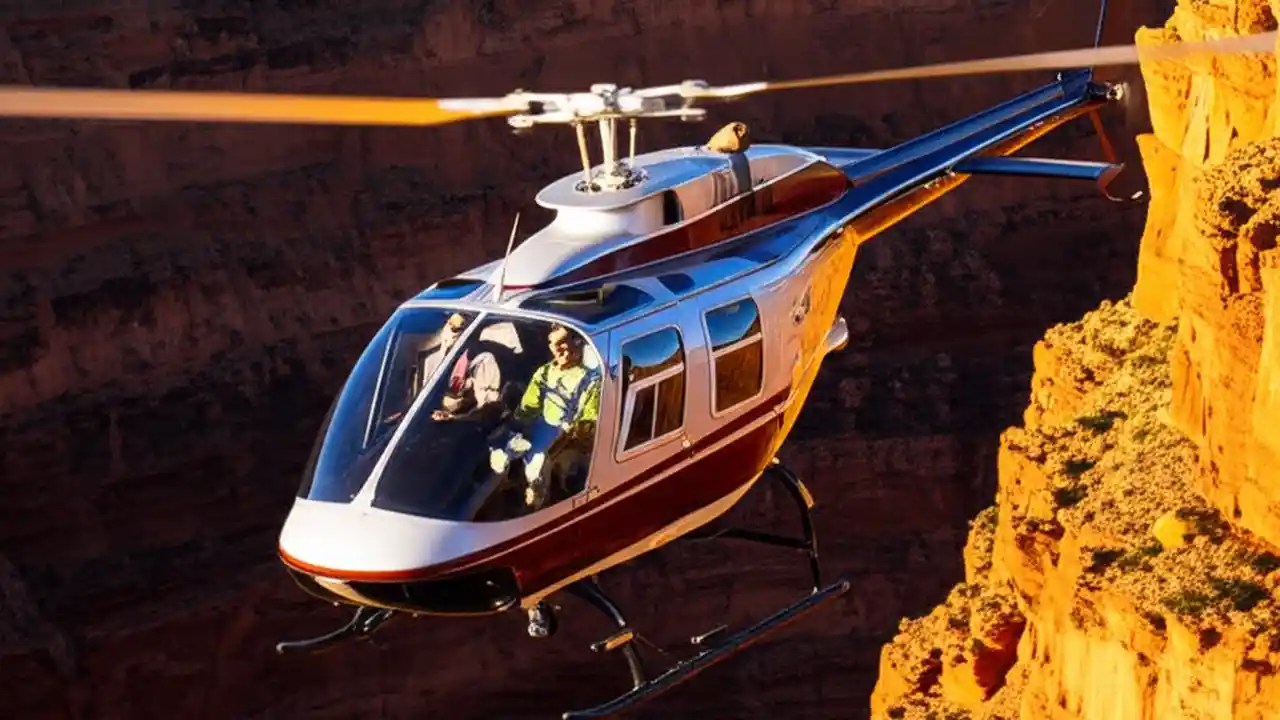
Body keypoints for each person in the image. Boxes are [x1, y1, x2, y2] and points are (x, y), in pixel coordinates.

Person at [489, 324, 599, 507]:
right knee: (507, 453)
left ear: (578, 344)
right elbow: (528, 406)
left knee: (536, 461)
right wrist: (518, 427)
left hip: (562, 432)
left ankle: (537, 491)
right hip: (540, 424)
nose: (562, 350)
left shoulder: (589, 381)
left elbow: (588, 420)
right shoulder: (545, 372)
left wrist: (572, 438)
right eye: (556, 344)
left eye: (566, 342)